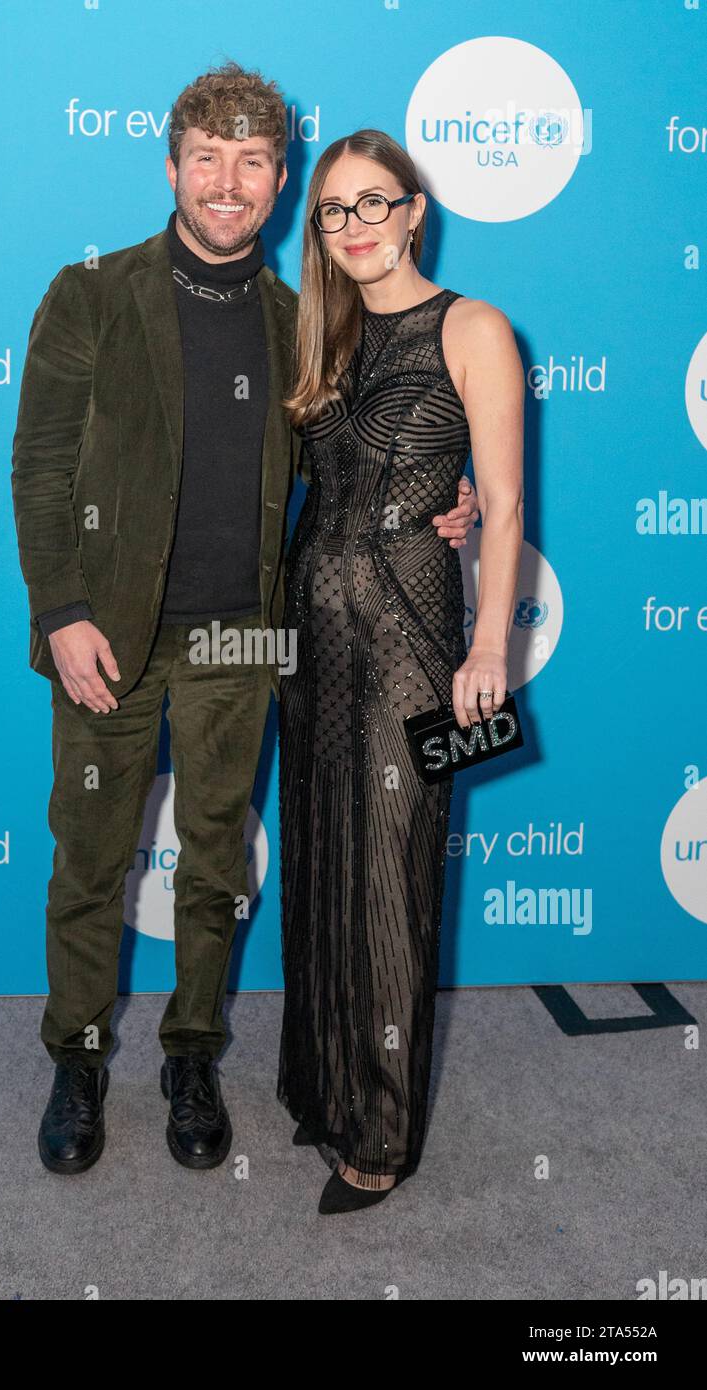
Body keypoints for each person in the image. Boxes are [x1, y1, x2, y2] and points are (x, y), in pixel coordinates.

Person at [10, 64, 480, 1179]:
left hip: (248, 639)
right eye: (207, 158)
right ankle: (76, 1063)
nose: (227, 182)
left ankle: (190, 1056)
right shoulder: (90, 294)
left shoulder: (300, 324)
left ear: (277, 186)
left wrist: (444, 506)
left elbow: (370, 454)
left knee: (215, 864)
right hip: (108, 636)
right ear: (171, 165)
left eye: (253, 162)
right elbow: (38, 466)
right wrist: (63, 609)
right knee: (87, 860)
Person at [277, 129, 524, 1214]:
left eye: (373, 203)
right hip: (309, 637)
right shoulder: (318, 336)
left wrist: (488, 646)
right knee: (322, 860)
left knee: (390, 875)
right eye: (333, 211)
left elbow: (503, 503)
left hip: (413, 638)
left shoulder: (471, 326)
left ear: (412, 208)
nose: (355, 226)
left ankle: (377, 1139)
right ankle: (325, 1087)